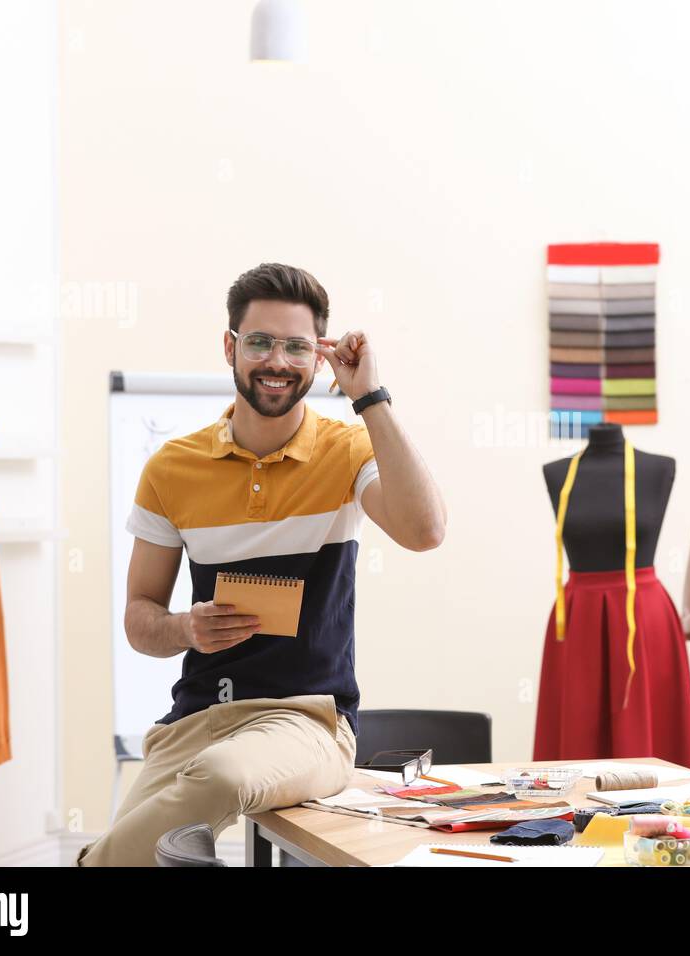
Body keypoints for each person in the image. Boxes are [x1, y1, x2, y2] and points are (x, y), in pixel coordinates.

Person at [78, 262, 445, 866]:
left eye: (298, 346)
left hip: (309, 723)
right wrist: (183, 628)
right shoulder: (172, 468)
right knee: (139, 850)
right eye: (261, 342)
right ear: (231, 346)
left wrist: (369, 397)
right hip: (195, 720)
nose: (278, 360)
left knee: (218, 778)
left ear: (319, 355)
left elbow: (425, 531)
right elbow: (138, 619)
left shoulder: (348, 450)